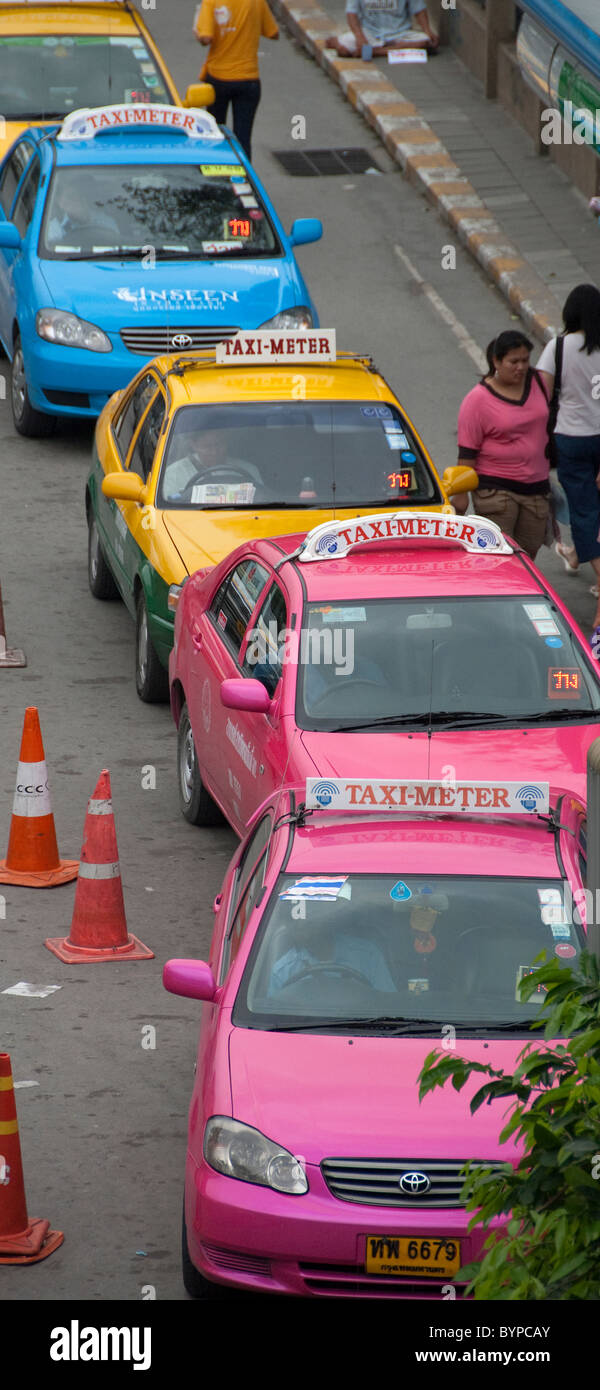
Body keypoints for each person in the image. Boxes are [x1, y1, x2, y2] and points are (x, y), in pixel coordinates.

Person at [537, 285, 600, 641]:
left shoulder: (558, 347)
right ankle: (580, 558)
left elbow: (543, 395)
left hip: (571, 440)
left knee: (584, 512)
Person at [456, 330, 551, 560]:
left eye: (525, 360)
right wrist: (460, 497)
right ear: (496, 361)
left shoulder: (540, 382)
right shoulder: (477, 400)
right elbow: (467, 455)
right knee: (501, 557)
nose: (520, 367)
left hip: (536, 491)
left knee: (528, 556)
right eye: (513, 361)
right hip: (496, 491)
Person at [194, 0, 279, 160]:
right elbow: (273, 33)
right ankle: (244, 180)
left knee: (216, 136)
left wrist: (198, 33)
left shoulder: (212, 2)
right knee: (243, 139)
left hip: (218, 79)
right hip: (249, 80)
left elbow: (206, 38)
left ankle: (218, 178)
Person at [327, 0, 439, 58]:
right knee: (344, 47)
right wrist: (360, 37)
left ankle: (376, 52)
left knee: (425, 42)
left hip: (400, 34)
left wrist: (427, 30)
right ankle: (375, 49)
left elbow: (419, 9)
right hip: (371, 34)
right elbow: (351, 14)